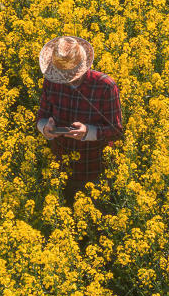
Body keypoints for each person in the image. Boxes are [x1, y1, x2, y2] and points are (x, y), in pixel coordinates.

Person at [33, 35, 124, 208]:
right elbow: (42, 116)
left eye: (69, 75)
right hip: (60, 166)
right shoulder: (52, 81)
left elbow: (116, 130)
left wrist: (87, 132)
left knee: (96, 220)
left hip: (94, 168)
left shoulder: (105, 86)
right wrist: (45, 127)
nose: (65, 80)